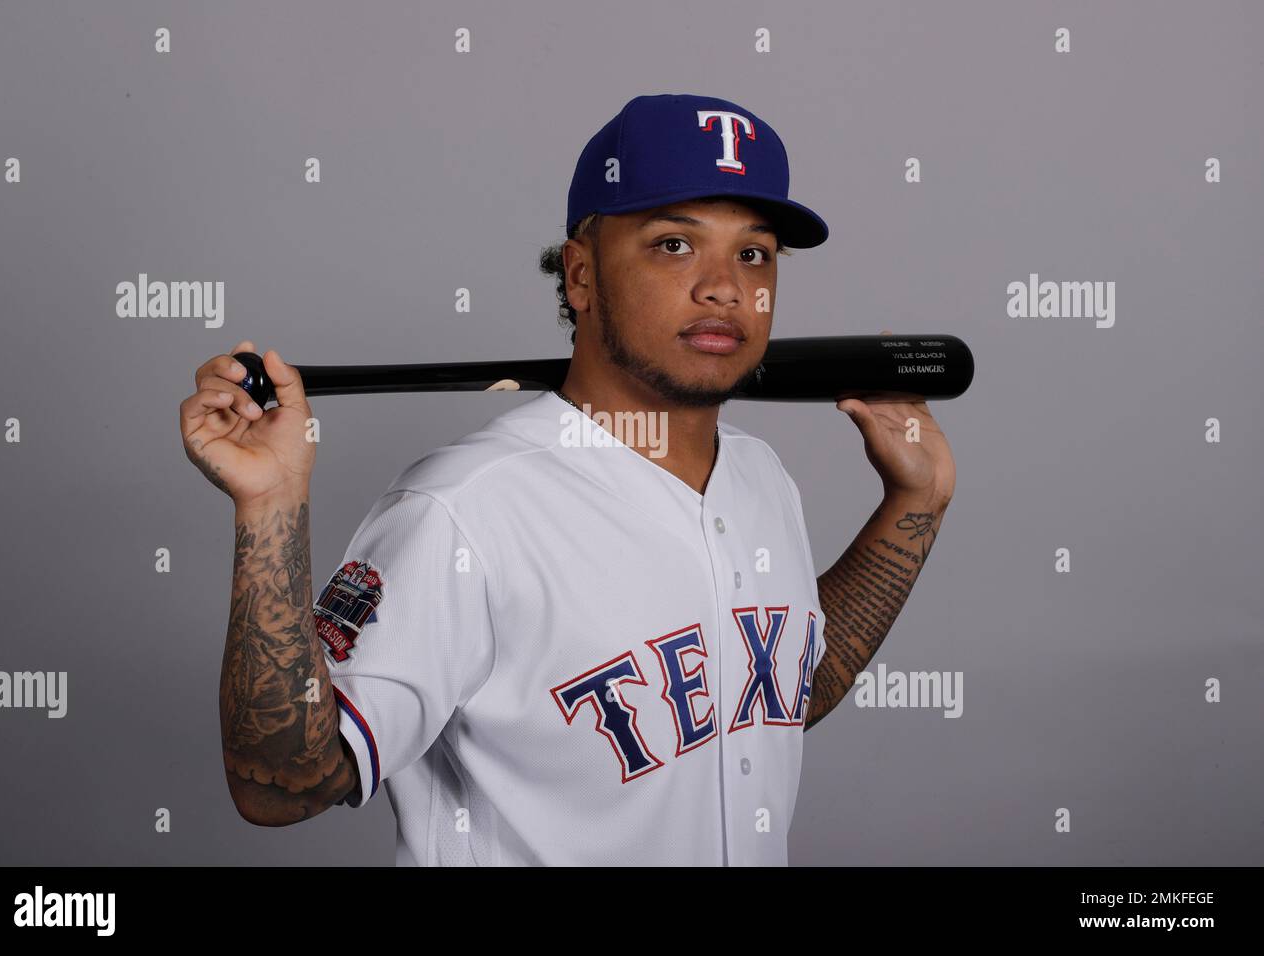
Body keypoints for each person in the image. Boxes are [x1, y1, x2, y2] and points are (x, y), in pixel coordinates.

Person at [179, 93, 955, 865]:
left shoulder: (761, 476)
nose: (725, 286)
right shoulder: (462, 511)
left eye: (753, 254)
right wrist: (272, 507)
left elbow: (777, 696)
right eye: (674, 244)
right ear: (580, 275)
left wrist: (915, 502)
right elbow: (280, 786)